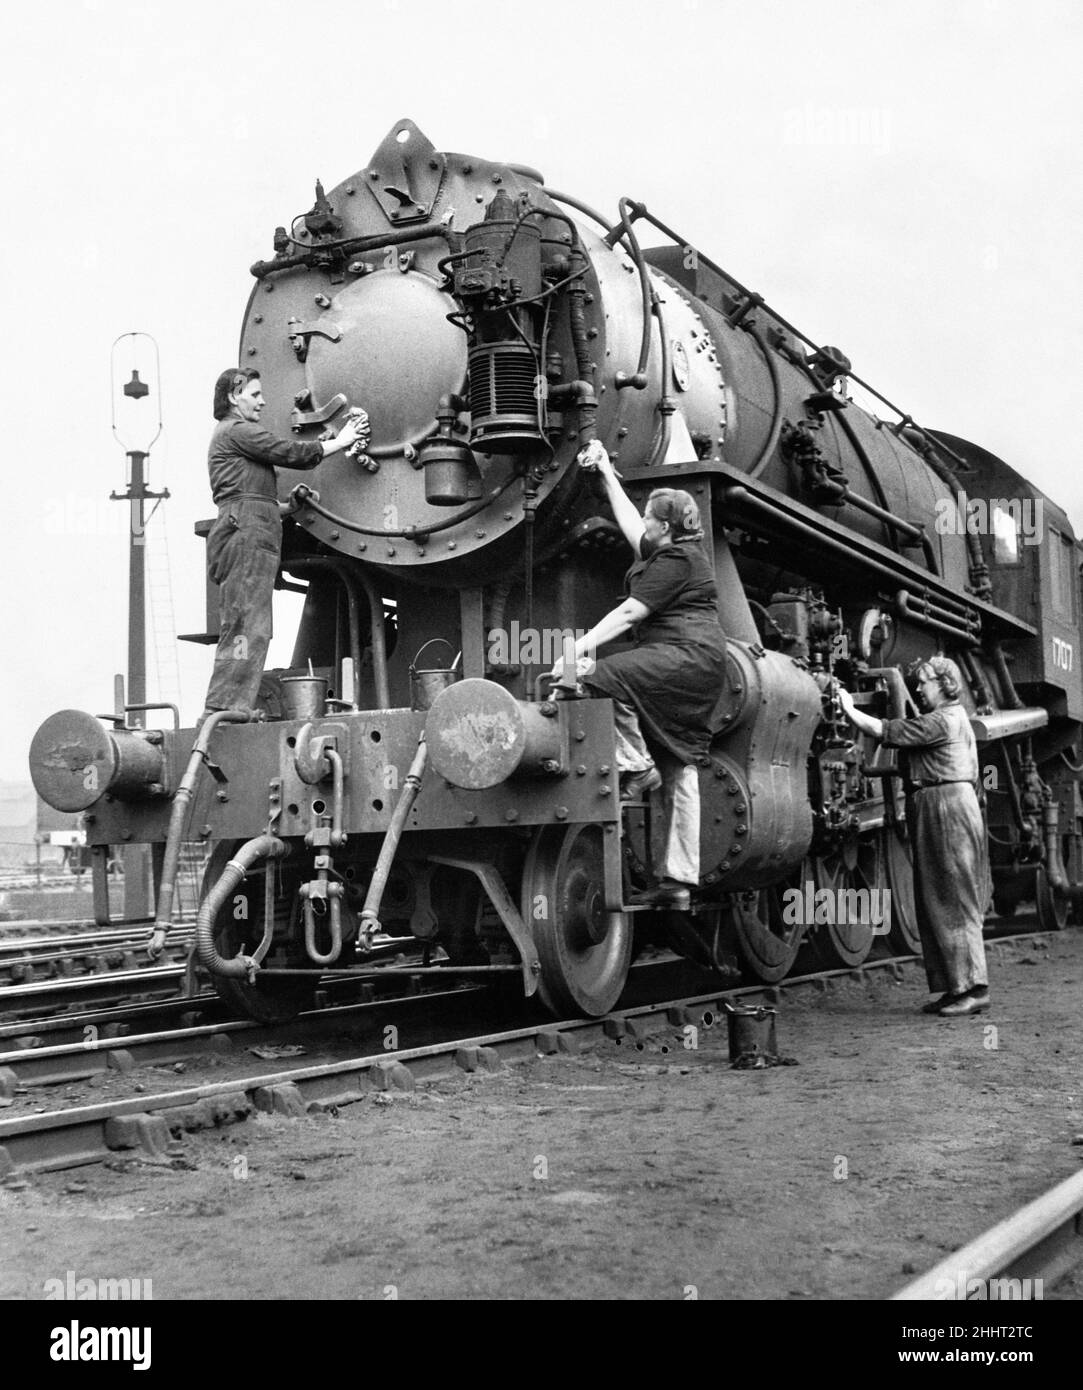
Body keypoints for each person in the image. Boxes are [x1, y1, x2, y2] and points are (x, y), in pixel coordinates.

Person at [550, 441, 727, 910]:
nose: (643, 522)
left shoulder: (677, 562)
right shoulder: (674, 551)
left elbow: (631, 613)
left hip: (682, 657)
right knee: (681, 766)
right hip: (695, 664)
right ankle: (678, 882)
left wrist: (576, 648)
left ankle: (634, 766)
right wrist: (607, 472)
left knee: (594, 676)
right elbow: (633, 524)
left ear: (665, 527)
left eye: (652, 517)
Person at [201, 368, 367, 718]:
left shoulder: (234, 438)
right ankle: (224, 709)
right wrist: (341, 440)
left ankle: (232, 706)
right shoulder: (236, 431)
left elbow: (253, 499)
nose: (262, 401)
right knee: (246, 625)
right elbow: (286, 451)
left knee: (253, 627)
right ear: (234, 396)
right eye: (255, 394)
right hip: (245, 534)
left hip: (251, 529)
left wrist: (289, 507)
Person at [835, 655, 990, 1016]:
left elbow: (887, 732)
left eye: (924, 682)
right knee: (939, 897)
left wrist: (847, 707)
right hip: (943, 802)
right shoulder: (955, 720)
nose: (918, 689)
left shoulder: (943, 720)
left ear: (944, 684)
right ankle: (957, 987)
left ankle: (975, 988)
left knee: (952, 897)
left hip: (945, 805)